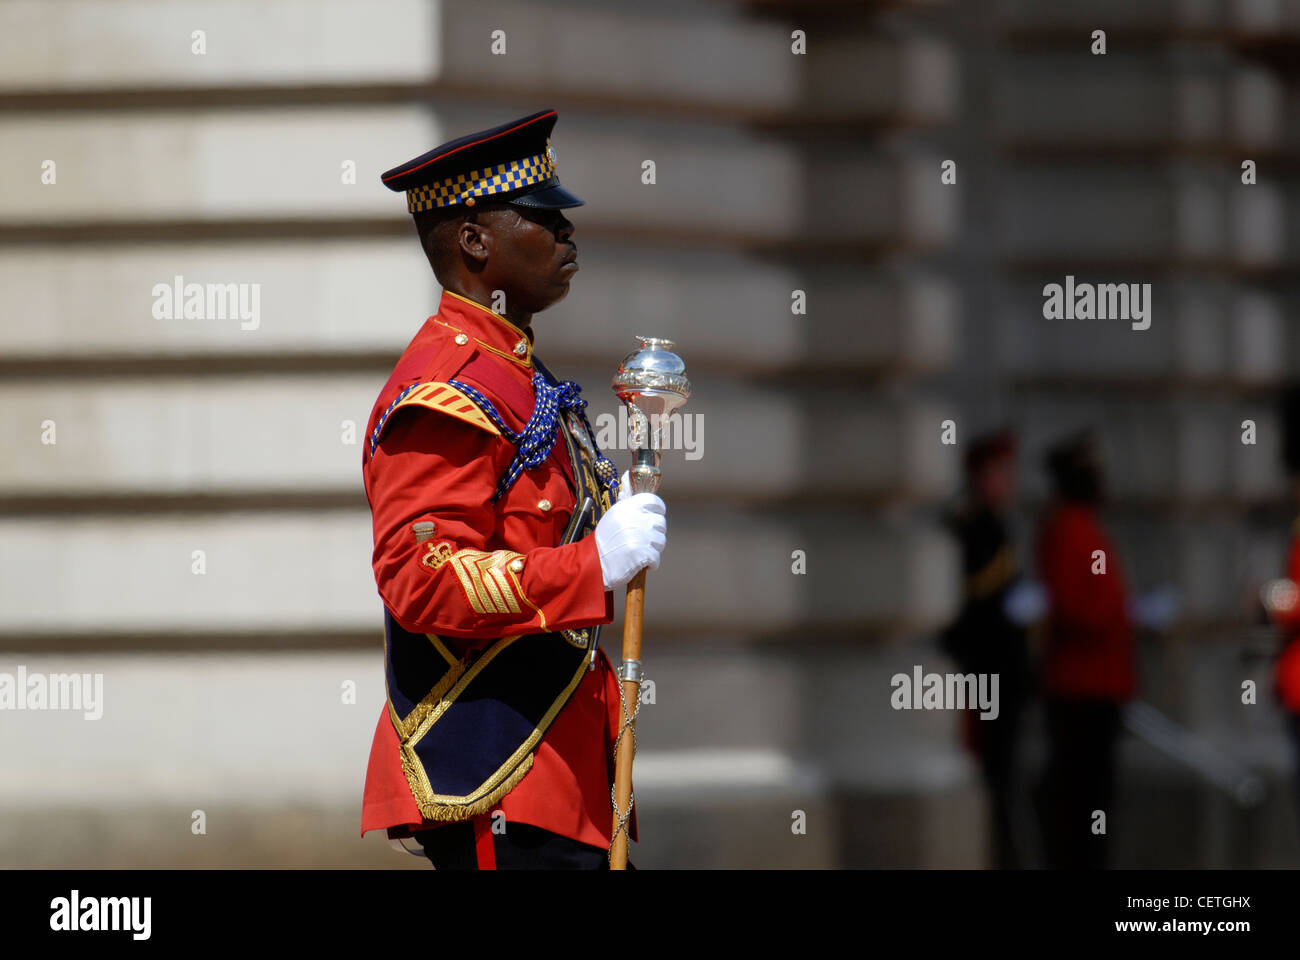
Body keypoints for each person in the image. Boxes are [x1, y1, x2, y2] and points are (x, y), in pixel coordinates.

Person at [358, 110, 667, 869]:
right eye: (544, 218)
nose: (568, 237)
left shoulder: (521, 374)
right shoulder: (447, 386)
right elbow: (420, 579)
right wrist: (591, 566)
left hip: (560, 770)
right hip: (496, 769)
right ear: (474, 242)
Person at [1035, 429, 1136, 870]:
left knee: (1095, 795)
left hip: (1099, 684)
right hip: (1080, 686)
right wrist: (1117, 615)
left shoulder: (1084, 529)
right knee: (1080, 797)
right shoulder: (1066, 530)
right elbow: (1073, 608)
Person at [940, 429, 1033, 869]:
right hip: (980, 674)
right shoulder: (970, 530)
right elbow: (971, 605)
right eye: (998, 473)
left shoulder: (998, 527)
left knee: (1002, 777)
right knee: (987, 776)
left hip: (1004, 676)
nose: (1006, 483)